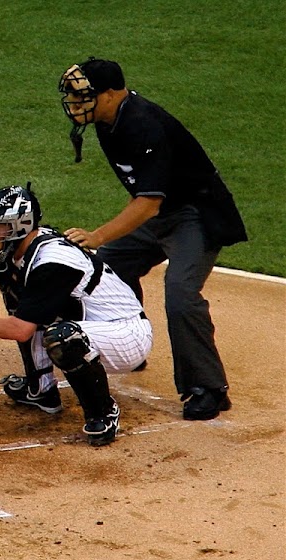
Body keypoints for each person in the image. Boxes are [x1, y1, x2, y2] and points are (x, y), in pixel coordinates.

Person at [58, 57, 247, 421]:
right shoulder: (107, 120)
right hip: (161, 213)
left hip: (196, 215)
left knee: (180, 293)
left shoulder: (143, 125)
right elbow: (146, 197)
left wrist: (97, 235)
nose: (78, 104)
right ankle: (129, 343)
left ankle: (208, 388)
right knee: (108, 269)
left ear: (111, 94)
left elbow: (147, 203)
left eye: (86, 96)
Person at [0, 184, 153, 446]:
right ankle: (41, 389)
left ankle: (103, 413)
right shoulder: (23, 247)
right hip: (92, 327)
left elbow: (21, 329)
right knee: (15, 290)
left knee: (63, 339)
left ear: (21, 223)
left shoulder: (53, 261)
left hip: (126, 335)